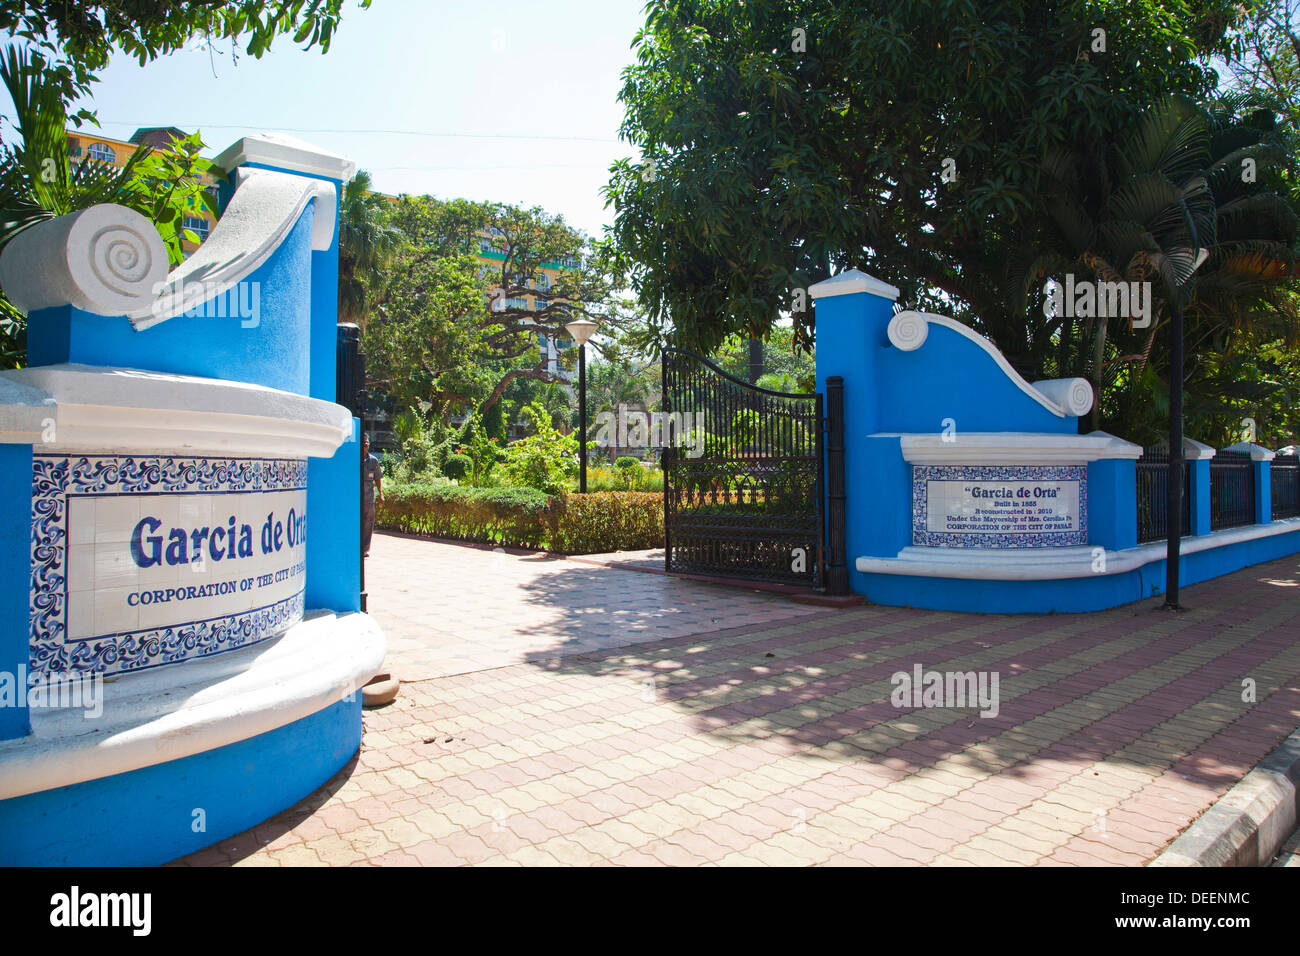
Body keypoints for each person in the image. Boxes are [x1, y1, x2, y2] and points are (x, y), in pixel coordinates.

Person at [361, 433, 383, 557]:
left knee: (368, 523)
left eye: (367, 442)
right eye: (364, 443)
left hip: (369, 499)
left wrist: (380, 494)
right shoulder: (354, 459)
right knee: (357, 523)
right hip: (357, 499)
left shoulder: (373, 461)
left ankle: (365, 549)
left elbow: (378, 478)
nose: (366, 444)